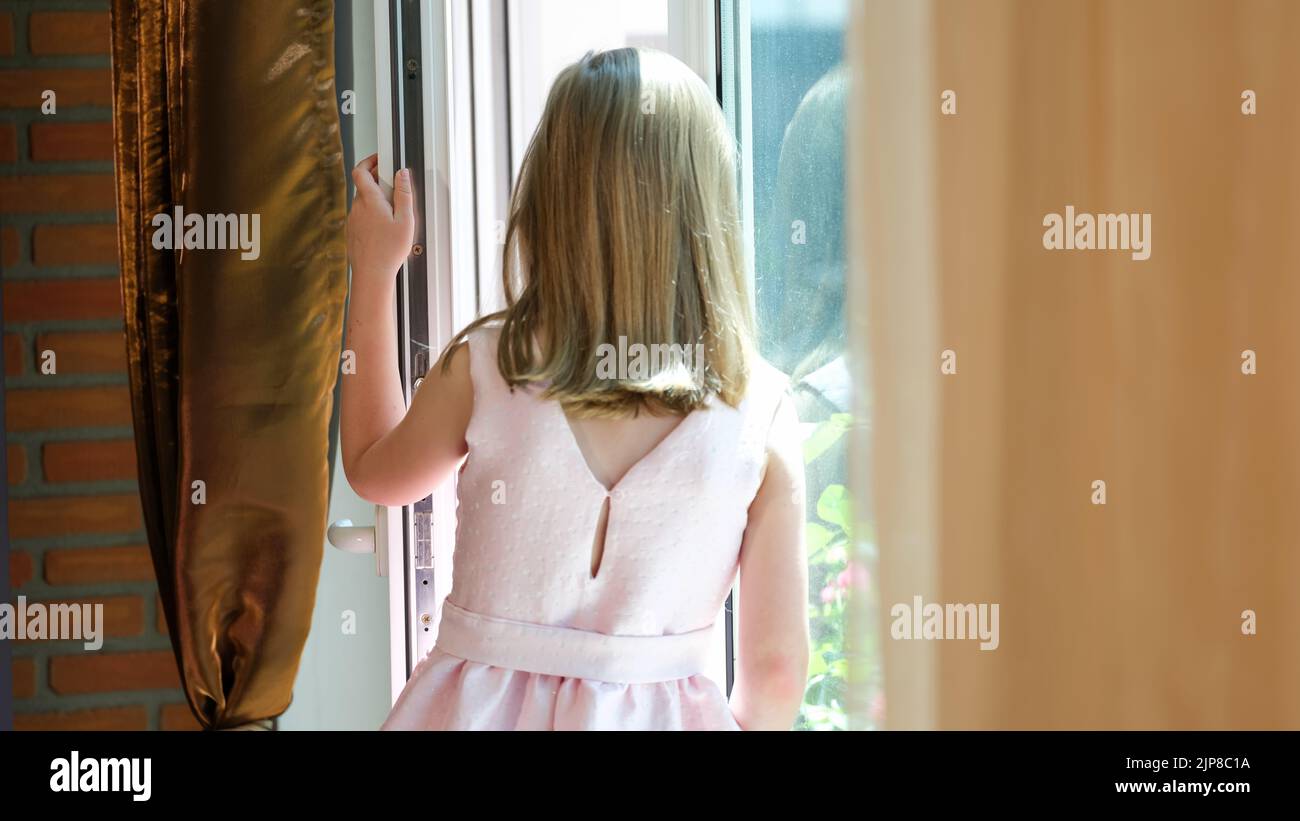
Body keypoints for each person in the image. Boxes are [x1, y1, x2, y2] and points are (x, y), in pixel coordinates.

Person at [341, 47, 808, 730]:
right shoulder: (760, 412)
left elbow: (374, 467)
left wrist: (375, 269)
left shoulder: (490, 366)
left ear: (548, 199)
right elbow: (775, 675)